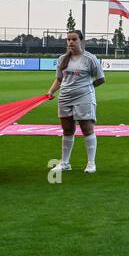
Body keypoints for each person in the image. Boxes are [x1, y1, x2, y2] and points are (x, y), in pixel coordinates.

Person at [47, 29, 105, 173]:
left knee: (87, 129)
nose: (71, 42)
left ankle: (91, 163)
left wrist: (87, 88)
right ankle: (65, 163)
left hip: (84, 97)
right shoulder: (62, 59)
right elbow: (59, 79)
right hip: (65, 97)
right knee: (67, 130)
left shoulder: (90, 58)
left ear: (81, 41)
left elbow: (100, 79)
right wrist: (51, 91)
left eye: (74, 39)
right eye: (69, 39)